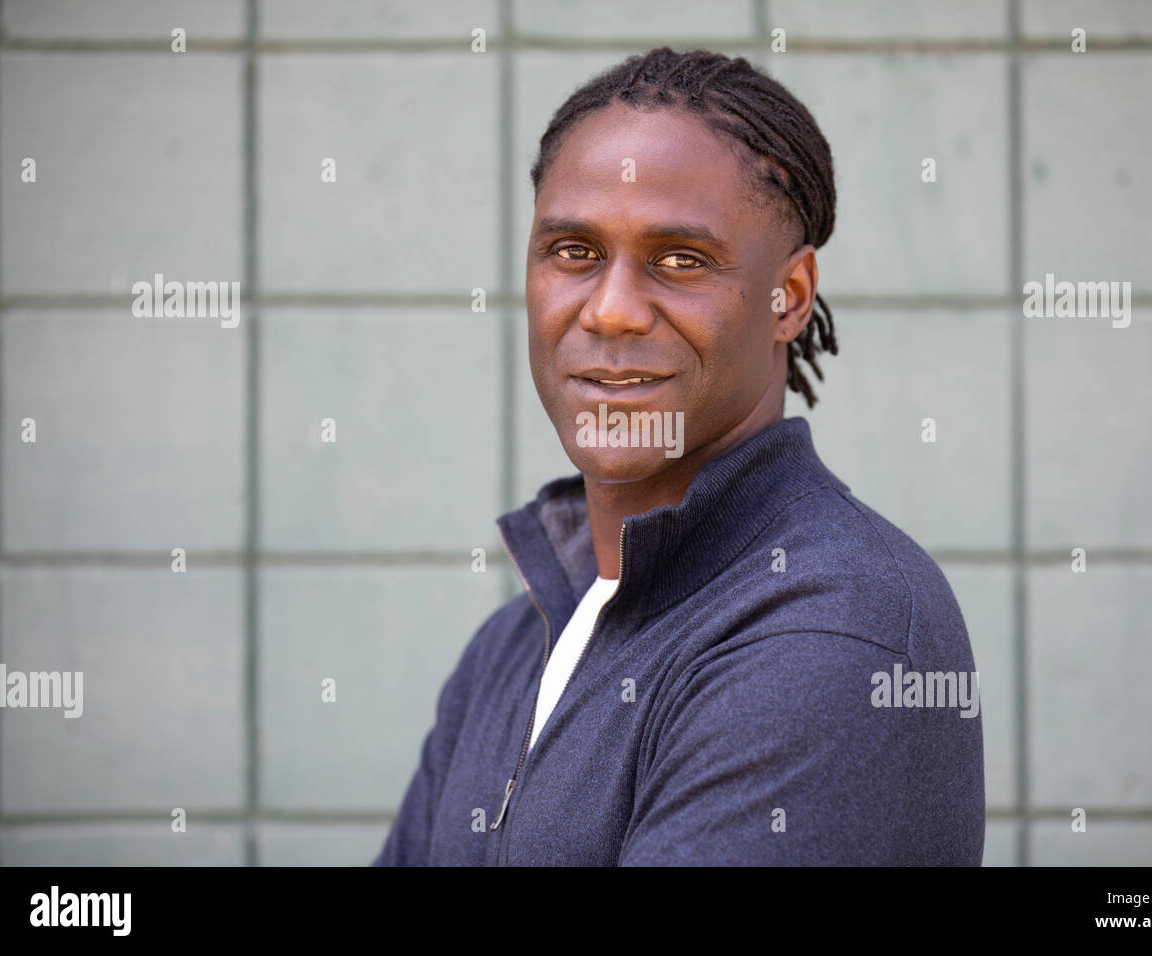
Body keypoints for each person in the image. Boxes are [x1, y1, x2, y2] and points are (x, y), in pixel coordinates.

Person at [374, 46, 984, 866]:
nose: (613, 311)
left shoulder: (837, 628)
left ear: (789, 299)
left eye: (680, 260)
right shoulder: (511, 647)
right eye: (574, 252)